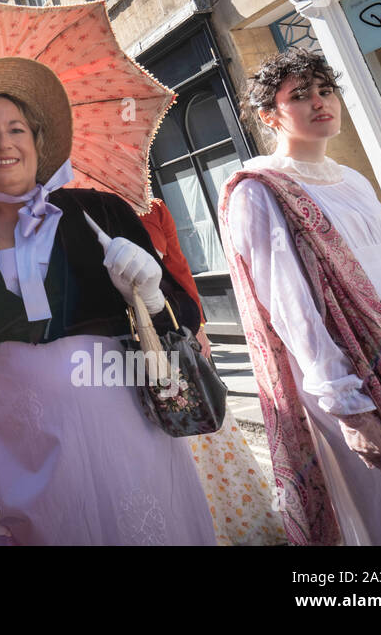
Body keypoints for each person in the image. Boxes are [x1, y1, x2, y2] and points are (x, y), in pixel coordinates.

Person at [0, 57, 216, 545]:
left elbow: (179, 317)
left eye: (16, 128)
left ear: (38, 142)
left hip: (124, 417)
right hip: (22, 437)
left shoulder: (101, 212)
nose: (4, 143)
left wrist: (150, 292)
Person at [220, 48, 381, 545]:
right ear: (270, 116)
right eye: (300, 96)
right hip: (356, 371)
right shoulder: (261, 190)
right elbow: (292, 309)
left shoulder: (354, 179)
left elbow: (380, 280)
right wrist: (351, 407)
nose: (320, 102)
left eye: (326, 90)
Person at [140, 198, 286, 545]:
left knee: (203, 424)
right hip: (122, 343)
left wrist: (200, 326)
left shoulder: (154, 207)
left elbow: (178, 268)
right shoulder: (74, 211)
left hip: (172, 333)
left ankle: (232, 526)